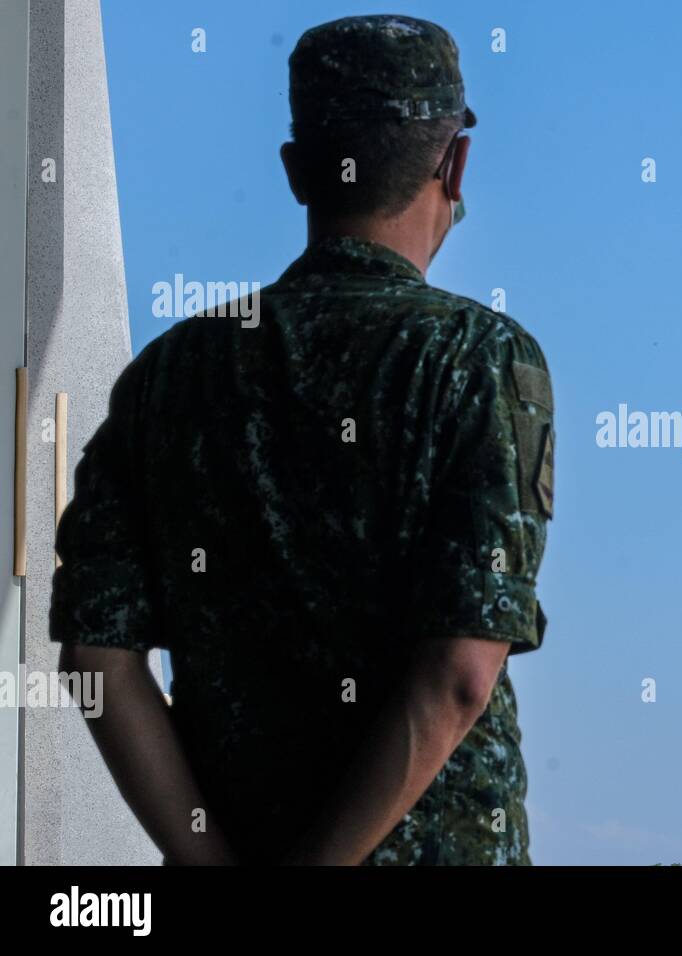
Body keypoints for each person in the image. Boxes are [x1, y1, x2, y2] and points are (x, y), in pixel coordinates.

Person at [50, 15, 554, 866]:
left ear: (296, 172)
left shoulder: (168, 378)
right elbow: (463, 672)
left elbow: (97, 655)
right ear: (455, 164)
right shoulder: (480, 359)